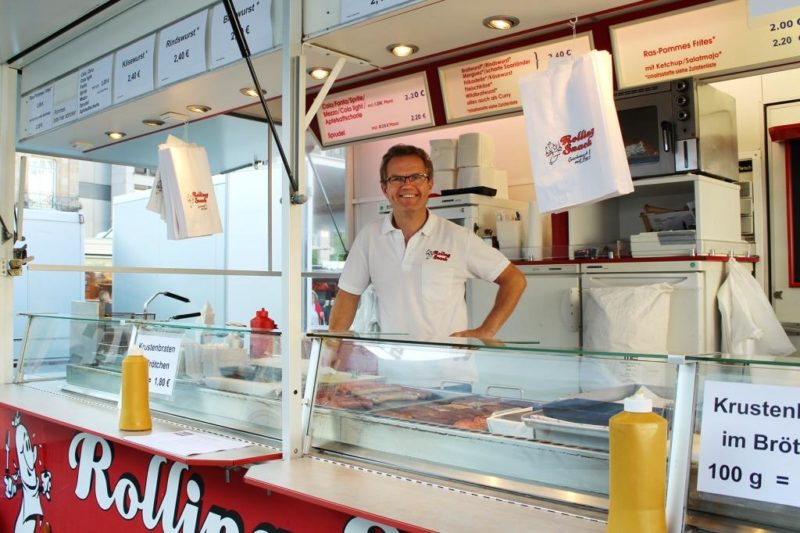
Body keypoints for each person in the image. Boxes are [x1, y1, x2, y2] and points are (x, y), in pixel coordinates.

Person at [328, 144, 526, 338]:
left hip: (449, 367)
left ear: (430, 183)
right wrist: (331, 347)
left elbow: (514, 280)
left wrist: (486, 331)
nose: (407, 185)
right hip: (392, 366)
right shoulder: (370, 237)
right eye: (396, 178)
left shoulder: (457, 238)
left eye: (416, 177)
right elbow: (348, 294)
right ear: (384, 188)